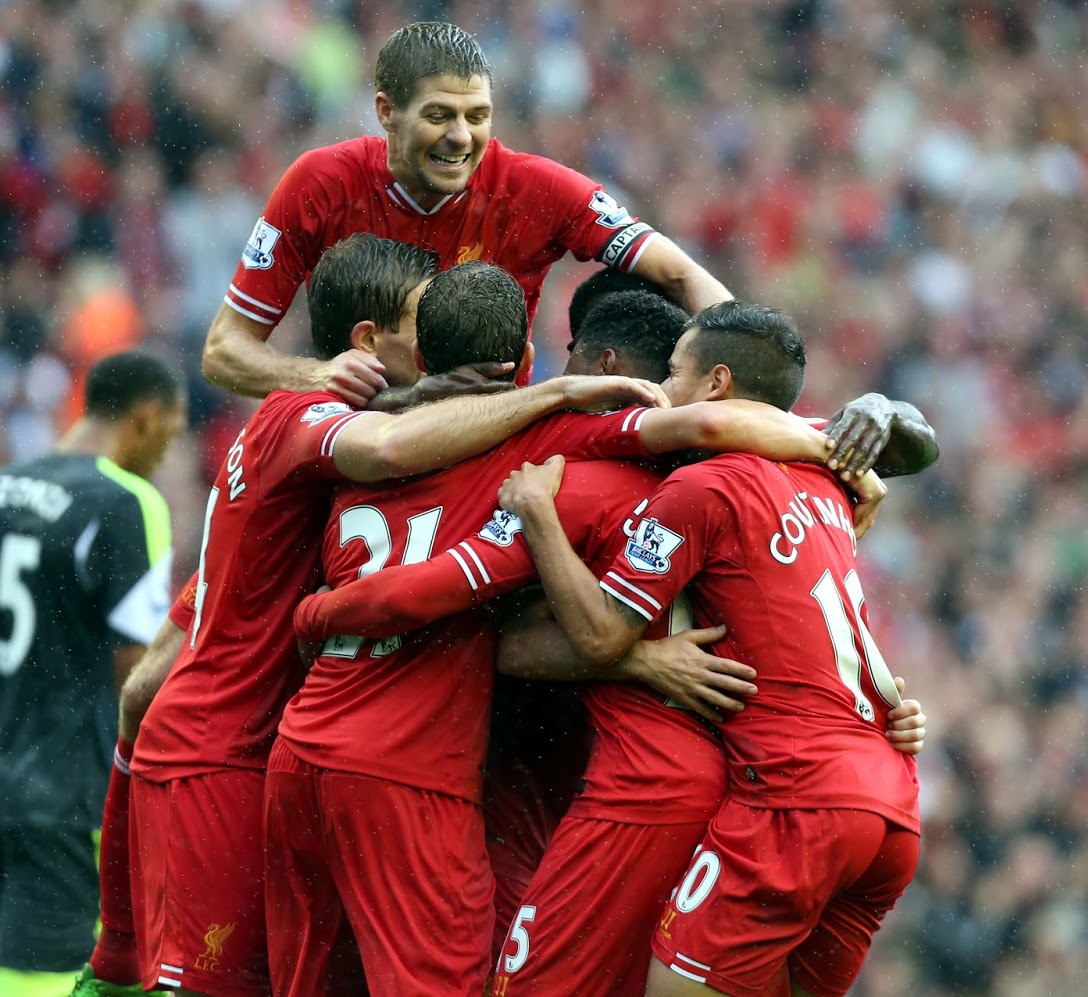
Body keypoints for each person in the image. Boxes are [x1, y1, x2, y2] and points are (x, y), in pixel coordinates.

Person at [293, 286, 935, 992]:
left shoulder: (596, 479)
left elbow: (469, 619)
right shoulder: (816, 474)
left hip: (670, 792)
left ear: (604, 364)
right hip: (834, 787)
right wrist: (877, 415)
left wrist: (318, 614)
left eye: (673, 377)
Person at [126, 236, 662, 997]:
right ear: (370, 342)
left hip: (288, 751)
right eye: (419, 318)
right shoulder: (359, 432)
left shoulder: (311, 446)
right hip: (354, 768)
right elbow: (689, 435)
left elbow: (209, 600)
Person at [496, 302, 921, 997]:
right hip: (890, 798)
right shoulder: (831, 486)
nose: (662, 388)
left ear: (717, 383)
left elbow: (602, 632)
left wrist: (538, 515)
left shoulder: (701, 485)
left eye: (673, 372)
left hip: (797, 801)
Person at [202, 20, 731, 404]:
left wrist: (737, 391)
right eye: (439, 115)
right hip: (357, 439)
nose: (461, 137)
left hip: (489, 443)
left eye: (477, 116)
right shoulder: (321, 183)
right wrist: (313, 377)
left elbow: (682, 274)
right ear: (386, 111)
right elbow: (224, 351)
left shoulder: (535, 188)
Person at [0, 351, 185, 997]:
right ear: (146, 414)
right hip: (65, 782)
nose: (168, 449)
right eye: (171, 428)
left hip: (8, 762)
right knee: (49, 977)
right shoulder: (125, 500)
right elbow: (138, 666)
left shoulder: (8, 483)